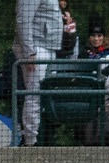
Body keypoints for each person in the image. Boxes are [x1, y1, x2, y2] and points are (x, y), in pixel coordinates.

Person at [14, 0, 66, 146]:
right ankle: (30, 141)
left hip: (47, 47)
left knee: (42, 95)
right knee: (34, 94)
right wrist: (29, 52)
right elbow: (23, 19)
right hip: (37, 49)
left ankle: (40, 137)